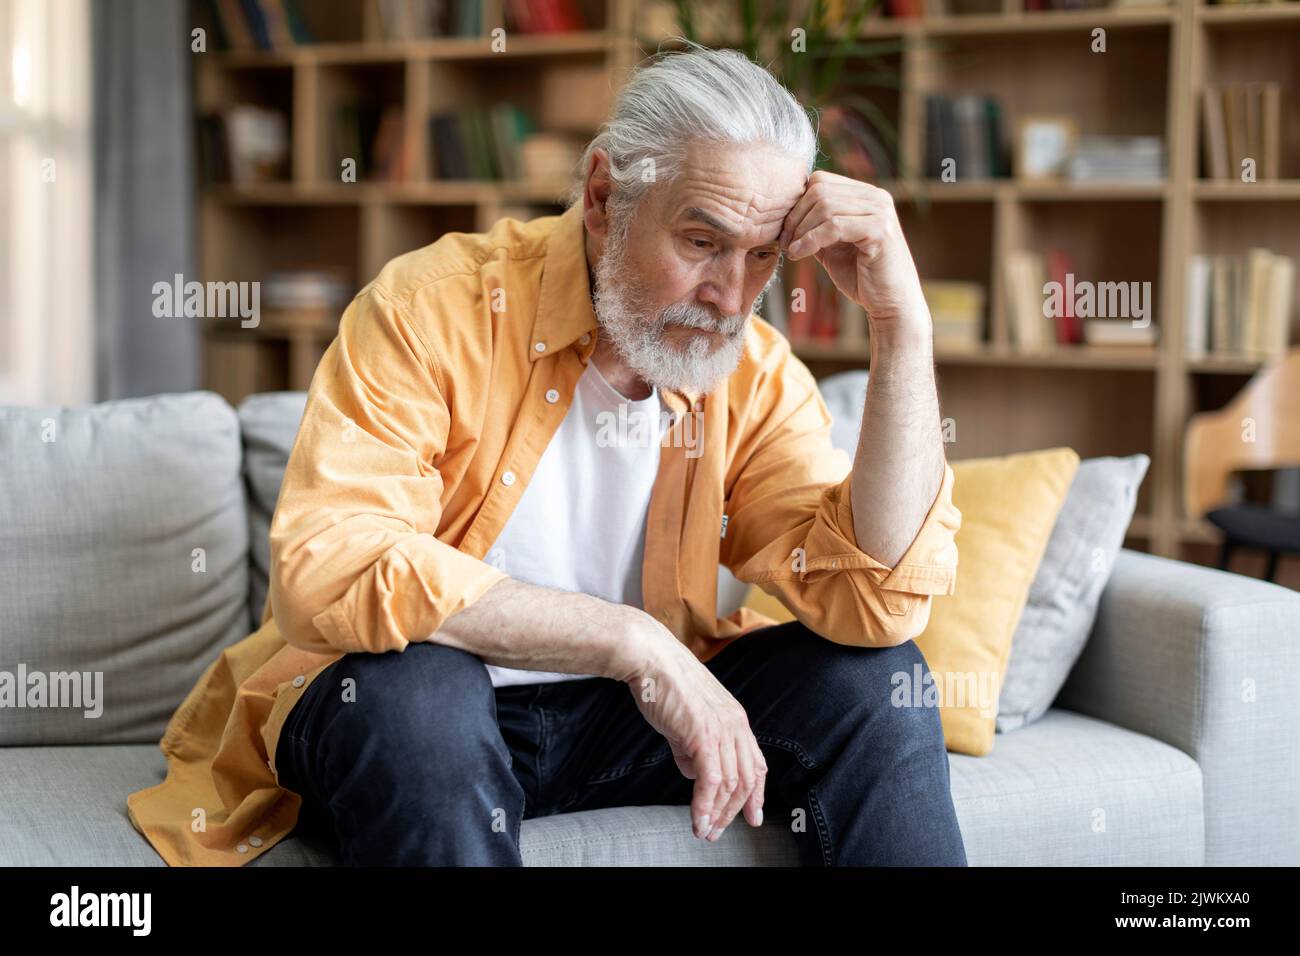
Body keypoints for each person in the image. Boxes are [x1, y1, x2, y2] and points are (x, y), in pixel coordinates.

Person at [127, 41, 966, 867]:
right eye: (702, 243)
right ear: (604, 196)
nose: (732, 298)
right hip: (411, 718)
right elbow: (328, 566)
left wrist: (901, 326)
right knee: (421, 692)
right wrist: (631, 643)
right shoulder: (433, 309)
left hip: (617, 727)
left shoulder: (753, 373)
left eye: (762, 257)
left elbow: (876, 604)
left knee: (875, 684)